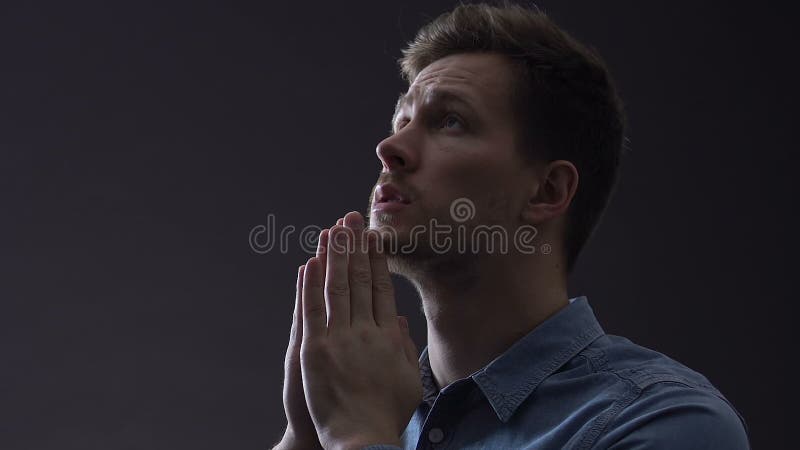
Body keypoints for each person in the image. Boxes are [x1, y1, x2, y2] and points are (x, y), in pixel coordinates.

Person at [273, 2, 750, 449]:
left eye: (450, 121)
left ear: (547, 192)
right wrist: (304, 439)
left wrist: (358, 437)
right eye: (400, 120)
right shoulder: (362, 404)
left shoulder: (667, 421)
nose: (389, 146)